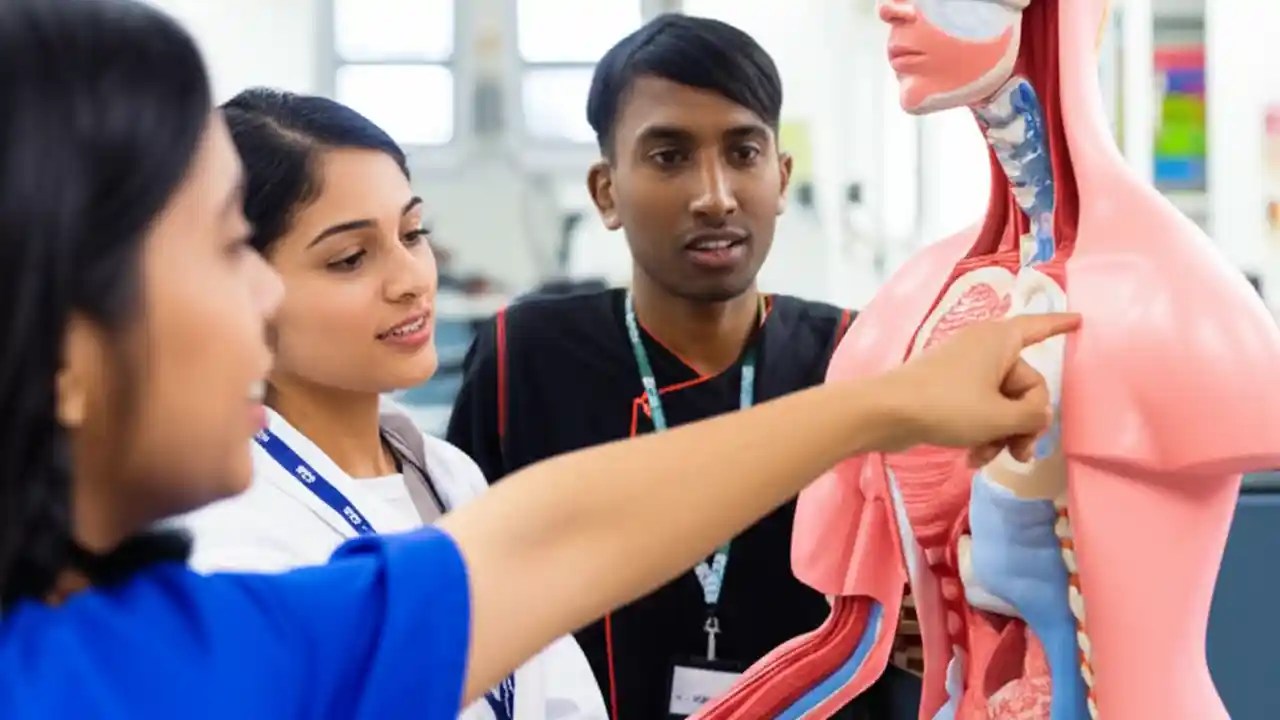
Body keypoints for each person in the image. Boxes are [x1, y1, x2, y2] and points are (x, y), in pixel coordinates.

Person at [0, 1, 1077, 718]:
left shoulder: (205, 646)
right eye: (223, 248)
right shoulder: (181, 644)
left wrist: (882, 403)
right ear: (59, 340)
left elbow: (542, 544)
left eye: (413, 234)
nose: (255, 299)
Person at [444, 14, 907, 718]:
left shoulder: (857, 356)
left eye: (744, 153)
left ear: (781, 178)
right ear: (606, 192)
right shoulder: (525, 359)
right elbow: (466, 591)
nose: (714, 194)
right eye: (669, 157)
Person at [169, 89, 605, 720]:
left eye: (412, 233)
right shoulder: (227, 540)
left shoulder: (451, 476)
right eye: (350, 258)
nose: (411, 280)